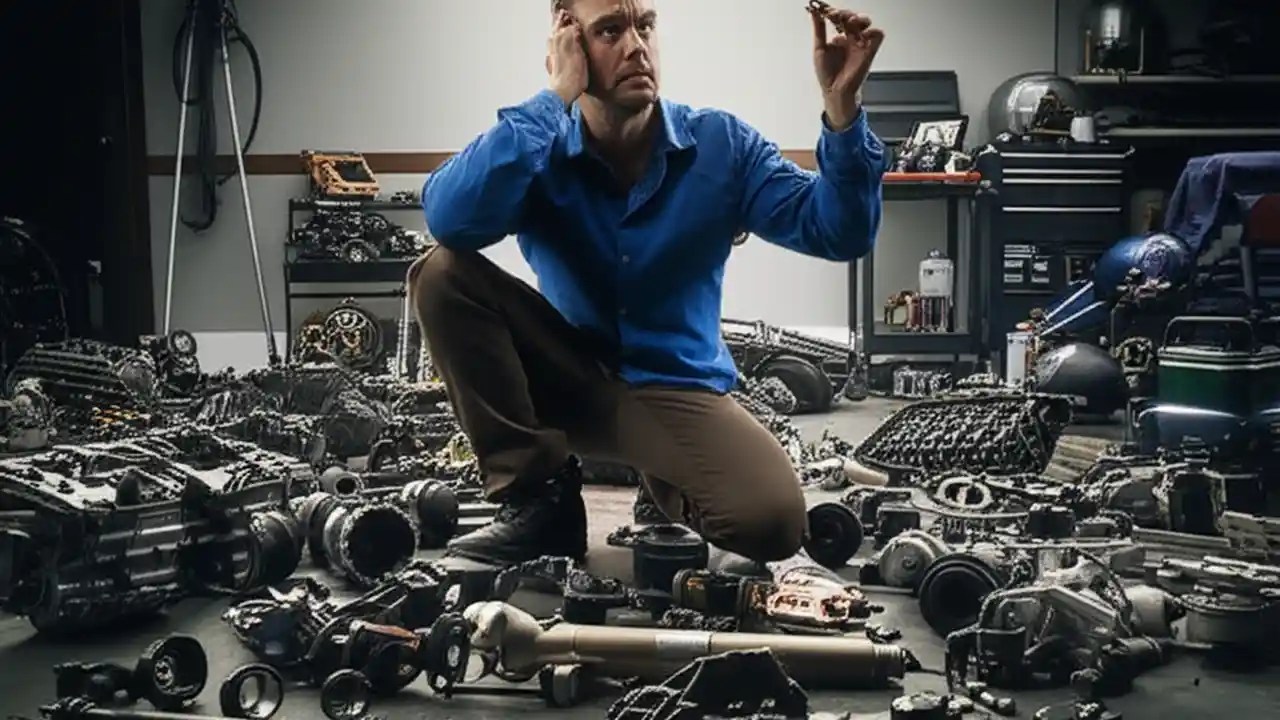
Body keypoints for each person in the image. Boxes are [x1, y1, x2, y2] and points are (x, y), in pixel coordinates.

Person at [412, 0, 888, 568]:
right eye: (610, 30)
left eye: (646, 25)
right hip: (570, 378)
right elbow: (449, 219)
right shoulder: (536, 146)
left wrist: (842, 109)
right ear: (570, 47)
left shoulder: (722, 145)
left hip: (674, 388)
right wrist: (554, 98)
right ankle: (539, 505)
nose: (637, 46)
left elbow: (838, 233)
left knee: (774, 524)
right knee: (441, 274)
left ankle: (661, 483)